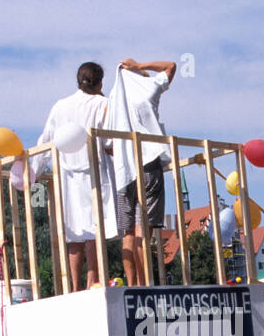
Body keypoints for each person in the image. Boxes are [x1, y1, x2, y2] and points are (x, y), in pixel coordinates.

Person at [38, 62, 116, 291]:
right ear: (101, 81)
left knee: (74, 232)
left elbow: (45, 140)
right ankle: (93, 282)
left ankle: (74, 286)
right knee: (93, 230)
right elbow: (110, 141)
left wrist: (33, 171)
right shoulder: (104, 104)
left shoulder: (60, 106)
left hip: (66, 173)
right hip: (94, 169)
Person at [109, 57, 176, 286]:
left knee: (128, 233)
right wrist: (139, 66)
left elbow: (109, 145)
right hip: (148, 163)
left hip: (123, 170)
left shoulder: (115, 100)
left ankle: (132, 283)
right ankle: (146, 284)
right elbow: (171, 66)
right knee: (142, 229)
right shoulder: (148, 89)